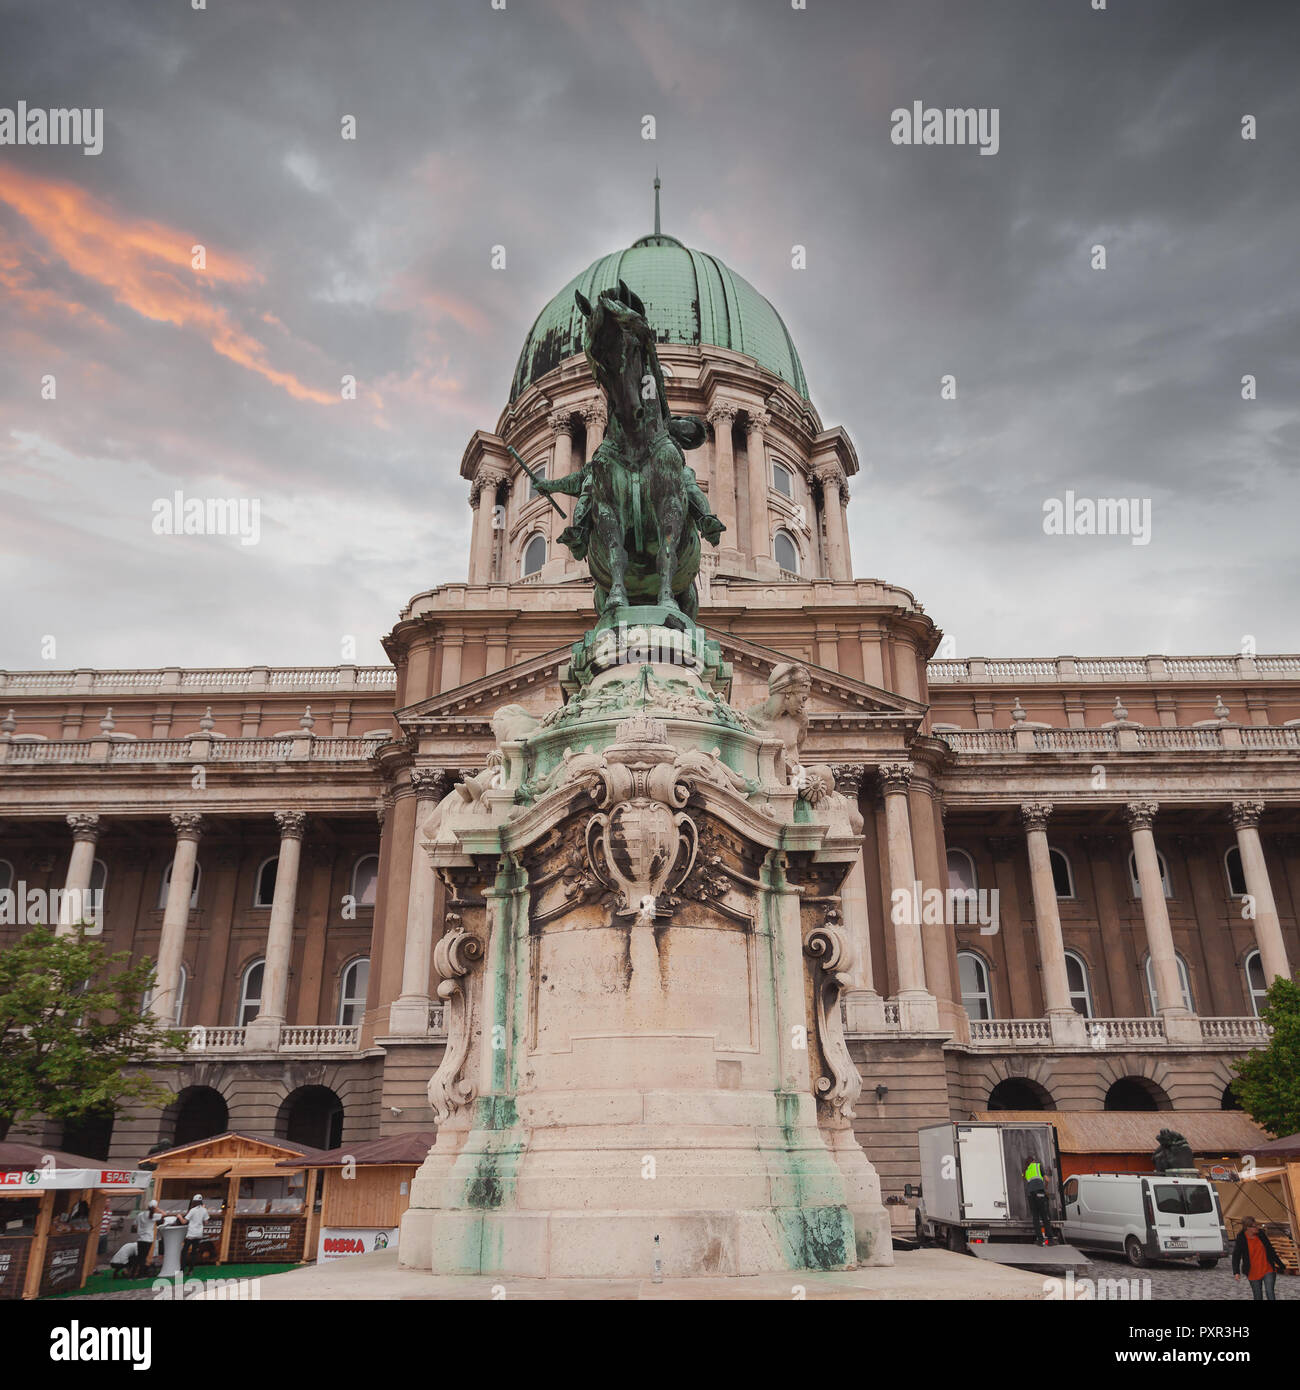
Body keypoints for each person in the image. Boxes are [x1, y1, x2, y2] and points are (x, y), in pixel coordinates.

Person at [1232, 1216, 1284, 1300]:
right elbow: (1236, 1256)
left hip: (1268, 1268)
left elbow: (1271, 1250)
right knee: (1257, 1295)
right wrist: (1236, 1272)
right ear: (1247, 1228)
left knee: (1269, 1291)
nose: (1257, 1228)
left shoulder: (1261, 1234)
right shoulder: (1241, 1238)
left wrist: (1281, 1265)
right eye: (1254, 1226)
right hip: (1253, 1271)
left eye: (1257, 1225)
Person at [1024, 1156, 1052, 1247]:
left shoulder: (1026, 1171)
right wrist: (1046, 1187)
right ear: (1033, 1161)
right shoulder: (1038, 1165)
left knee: (1035, 1217)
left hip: (1031, 1195)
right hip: (1040, 1192)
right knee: (1044, 1215)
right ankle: (1050, 1240)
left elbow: (1028, 1183)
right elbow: (1047, 1179)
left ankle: (1040, 1240)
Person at [129, 1199, 161, 1279]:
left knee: (139, 1257)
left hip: (140, 1239)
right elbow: (164, 1214)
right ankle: (141, 1275)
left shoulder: (140, 1214)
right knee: (144, 1258)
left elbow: (134, 1225)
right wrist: (157, 1209)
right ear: (154, 1207)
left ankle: (132, 1275)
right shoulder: (152, 1215)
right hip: (148, 1239)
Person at [181, 1193, 211, 1273]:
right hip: (198, 1234)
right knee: (194, 1252)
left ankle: (182, 1269)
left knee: (184, 1251)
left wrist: (179, 1216)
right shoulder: (204, 1210)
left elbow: (184, 1221)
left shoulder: (192, 1210)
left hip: (191, 1234)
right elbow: (206, 1222)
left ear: (194, 1202)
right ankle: (191, 1270)